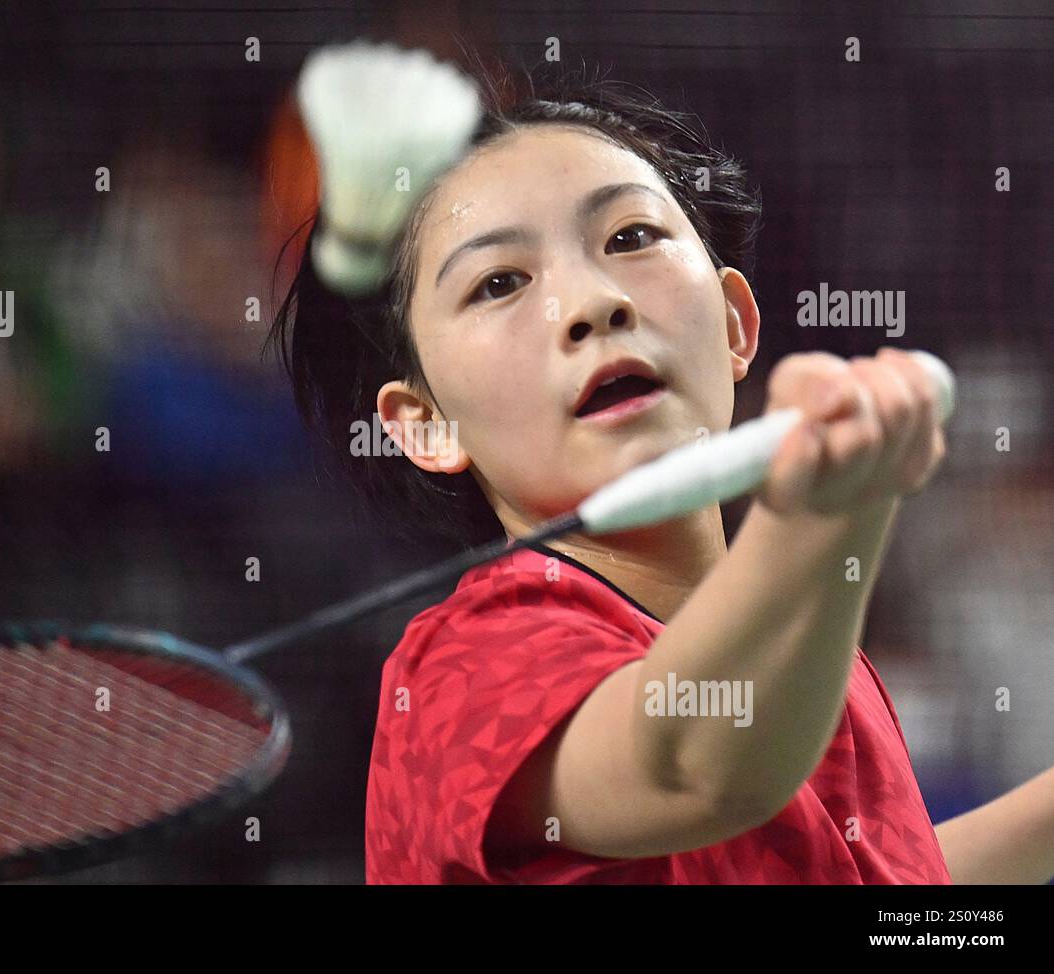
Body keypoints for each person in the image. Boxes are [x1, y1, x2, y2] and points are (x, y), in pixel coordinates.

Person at [267, 67, 1054, 884]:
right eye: (499, 283)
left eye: (630, 238)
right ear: (426, 423)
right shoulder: (464, 666)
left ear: (736, 325)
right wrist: (821, 524)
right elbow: (699, 769)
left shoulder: (815, 661)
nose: (592, 302)